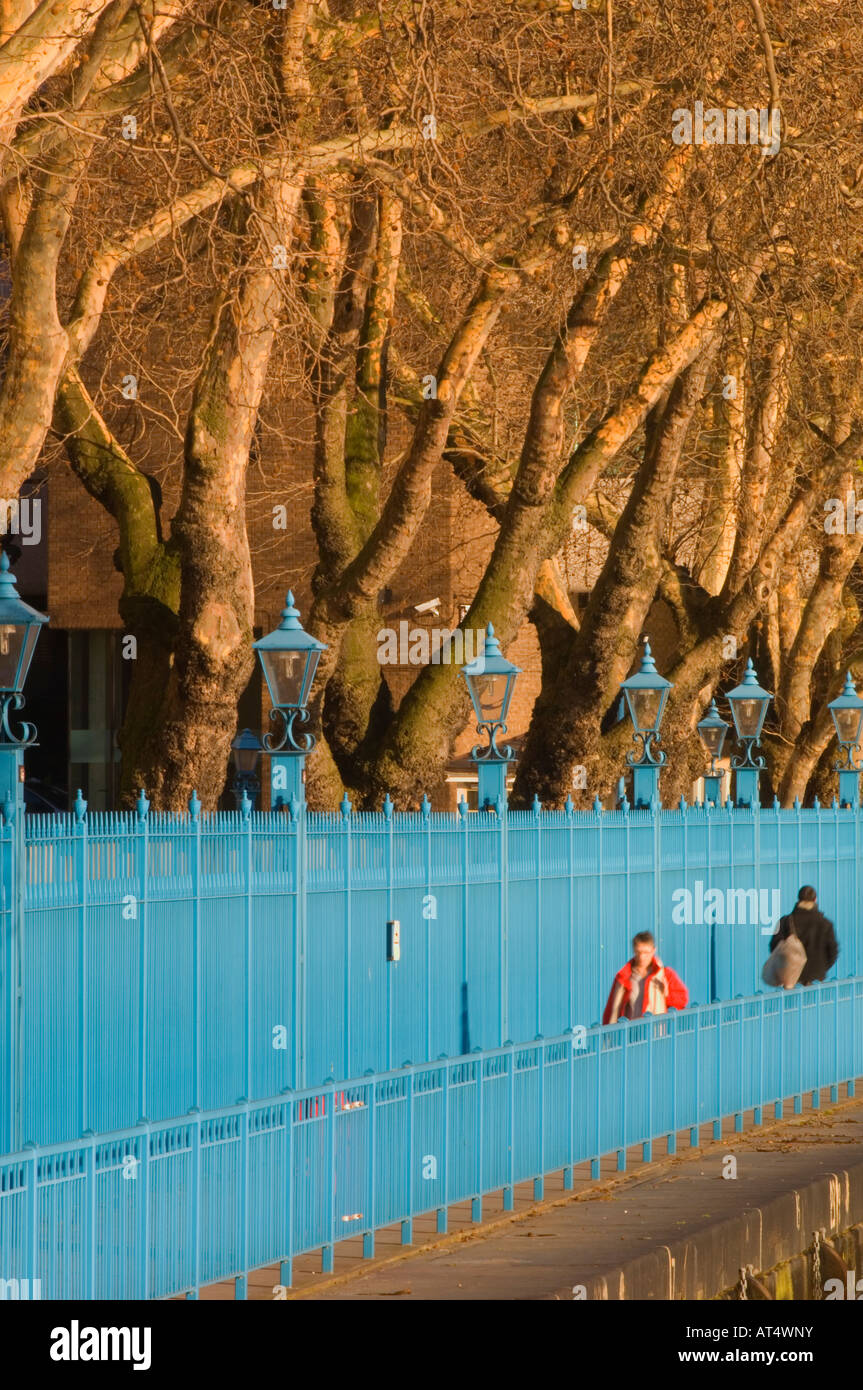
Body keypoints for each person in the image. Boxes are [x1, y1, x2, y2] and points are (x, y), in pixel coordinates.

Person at [602, 931, 688, 1025]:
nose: (642, 957)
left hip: (657, 1032)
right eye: (638, 952)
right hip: (632, 1034)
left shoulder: (666, 975)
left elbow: (682, 1001)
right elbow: (612, 1008)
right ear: (634, 950)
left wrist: (667, 994)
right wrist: (608, 1033)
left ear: (653, 950)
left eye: (646, 952)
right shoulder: (623, 977)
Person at [768, 886, 839, 986]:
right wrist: (821, 969)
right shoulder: (826, 924)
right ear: (815, 900)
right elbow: (833, 952)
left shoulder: (784, 921)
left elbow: (774, 947)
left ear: (799, 899)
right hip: (816, 980)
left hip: (791, 980)